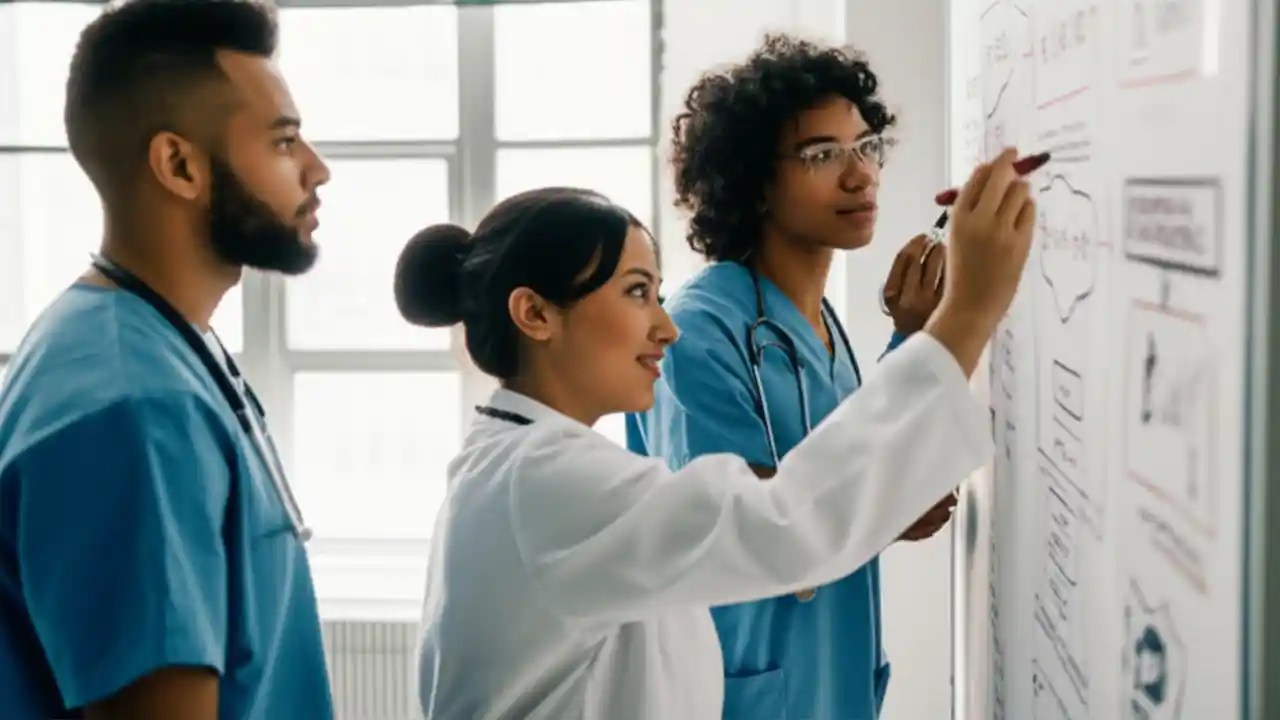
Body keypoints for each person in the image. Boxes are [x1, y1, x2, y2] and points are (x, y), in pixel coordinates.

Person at [404, 161, 1033, 717]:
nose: (666, 328)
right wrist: (968, 313)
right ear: (536, 314)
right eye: (637, 294)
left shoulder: (525, 462)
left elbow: (752, 508)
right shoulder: (541, 480)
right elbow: (783, 521)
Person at [0, 1, 333, 718]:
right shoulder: (134, 407)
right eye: (283, 143)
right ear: (178, 164)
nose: (317, 170)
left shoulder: (158, 344)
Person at [625, 35, 962, 718]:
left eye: (866, 148)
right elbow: (741, 523)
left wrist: (911, 335)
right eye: (822, 155)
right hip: (747, 695)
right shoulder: (695, 334)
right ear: (752, 180)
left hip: (832, 683)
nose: (860, 175)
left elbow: (853, 466)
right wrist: (885, 506)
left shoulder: (822, 327)